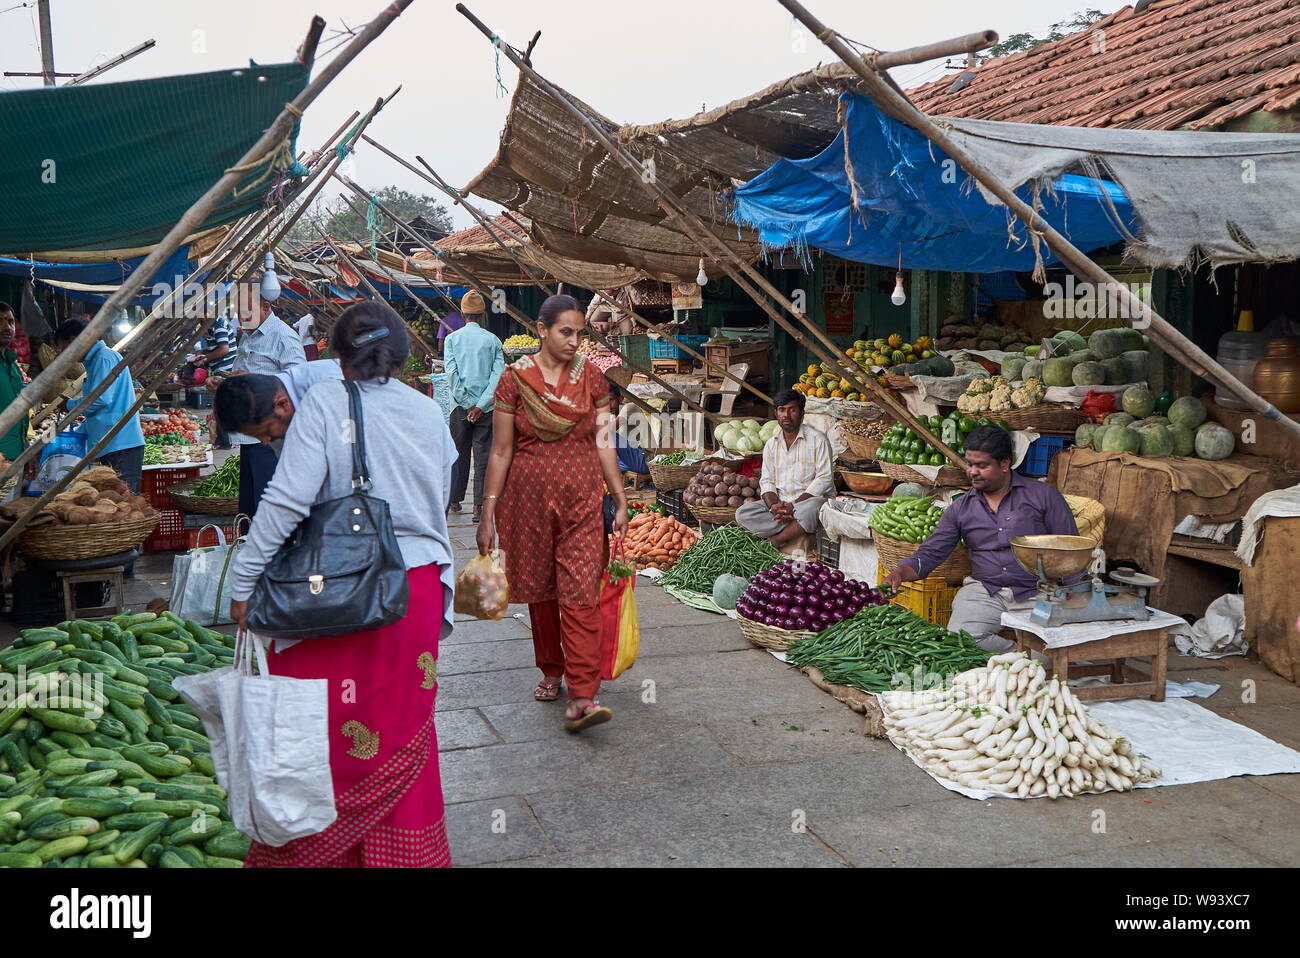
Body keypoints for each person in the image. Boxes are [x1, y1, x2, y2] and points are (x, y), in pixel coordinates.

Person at [227, 300, 457, 868]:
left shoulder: (327, 401)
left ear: (336, 355)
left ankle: (316, 854)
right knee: (403, 735)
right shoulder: (428, 412)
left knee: (321, 736)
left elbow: (284, 502)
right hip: (416, 592)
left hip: (345, 595)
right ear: (402, 354)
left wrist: (242, 580)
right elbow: (443, 494)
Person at [477, 294, 628, 733]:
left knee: (581, 591)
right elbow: (501, 451)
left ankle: (582, 694)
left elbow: (603, 443)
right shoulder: (513, 379)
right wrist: (488, 513)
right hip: (525, 503)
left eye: (580, 333)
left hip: (581, 499)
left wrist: (618, 497)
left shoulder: (594, 379)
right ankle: (550, 669)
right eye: (566, 332)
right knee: (543, 590)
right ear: (541, 330)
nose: (574, 341)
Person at [883, 425, 1079, 652]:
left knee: (1053, 650)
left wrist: (1076, 594)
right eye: (970, 464)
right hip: (986, 591)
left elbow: (1070, 548)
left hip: (1037, 591)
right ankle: (1019, 658)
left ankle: (1029, 659)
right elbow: (930, 553)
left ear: (1005, 464)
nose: (972, 472)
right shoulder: (961, 508)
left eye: (982, 466)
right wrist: (899, 573)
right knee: (960, 641)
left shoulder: (1044, 496)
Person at [206, 293, 305, 521]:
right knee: (249, 510)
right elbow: (240, 375)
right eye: (238, 313)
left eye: (247, 312)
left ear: (266, 307)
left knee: (268, 510)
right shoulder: (248, 336)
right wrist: (222, 384)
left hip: (273, 439)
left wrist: (255, 378)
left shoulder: (284, 337)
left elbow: (299, 383)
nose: (241, 318)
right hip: (250, 437)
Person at [54, 320, 146, 495]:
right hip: (111, 443)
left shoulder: (104, 358)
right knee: (117, 500)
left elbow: (100, 399)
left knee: (125, 502)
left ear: (74, 340)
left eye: (65, 348)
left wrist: (70, 405)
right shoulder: (98, 360)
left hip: (120, 444)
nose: (67, 355)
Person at [735, 388, 835, 547]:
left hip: (805, 503)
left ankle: (777, 540)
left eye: (792, 410)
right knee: (742, 513)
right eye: (782, 410)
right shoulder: (771, 444)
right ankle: (793, 526)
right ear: (776, 413)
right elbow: (767, 480)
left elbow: (825, 479)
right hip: (782, 503)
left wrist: (793, 506)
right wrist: (774, 506)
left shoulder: (818, 440)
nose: (786, 415)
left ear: (802, 413)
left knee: (814, 508)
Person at [444, 290, 504, 522]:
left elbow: (452, 374)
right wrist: (480, 405)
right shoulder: (493, 341)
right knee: (484, 457)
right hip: (487, 409)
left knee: (458, 454)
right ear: (482, 315)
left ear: (463, 314)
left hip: (459, 407)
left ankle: (455, 499)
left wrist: (468, 404)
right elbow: (497, 376)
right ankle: (479, 505)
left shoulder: (452, 340)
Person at [213, 357, 343, 446]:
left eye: (265, 431)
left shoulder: (333, 389)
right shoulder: (276, 414)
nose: (264, 441)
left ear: (282, 404)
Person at [0, 303, 37, 498]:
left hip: (16, 456)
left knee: (8, 518)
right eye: (0, 321)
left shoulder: (13, 367)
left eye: (10, 322)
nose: (7, 327)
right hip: (1, 460)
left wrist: (26, 450)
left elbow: (20, 411)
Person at [195, 307, 239, 448]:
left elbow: (223, 349)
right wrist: (203, 352)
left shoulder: (218, 325)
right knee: (219, 406)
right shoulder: (210, 326)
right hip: (219, 369)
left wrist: (205, 359)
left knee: (222, 406)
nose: (200, 319)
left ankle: (226, 442)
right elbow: (216, 347)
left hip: (226, 370)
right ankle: (221, 440)